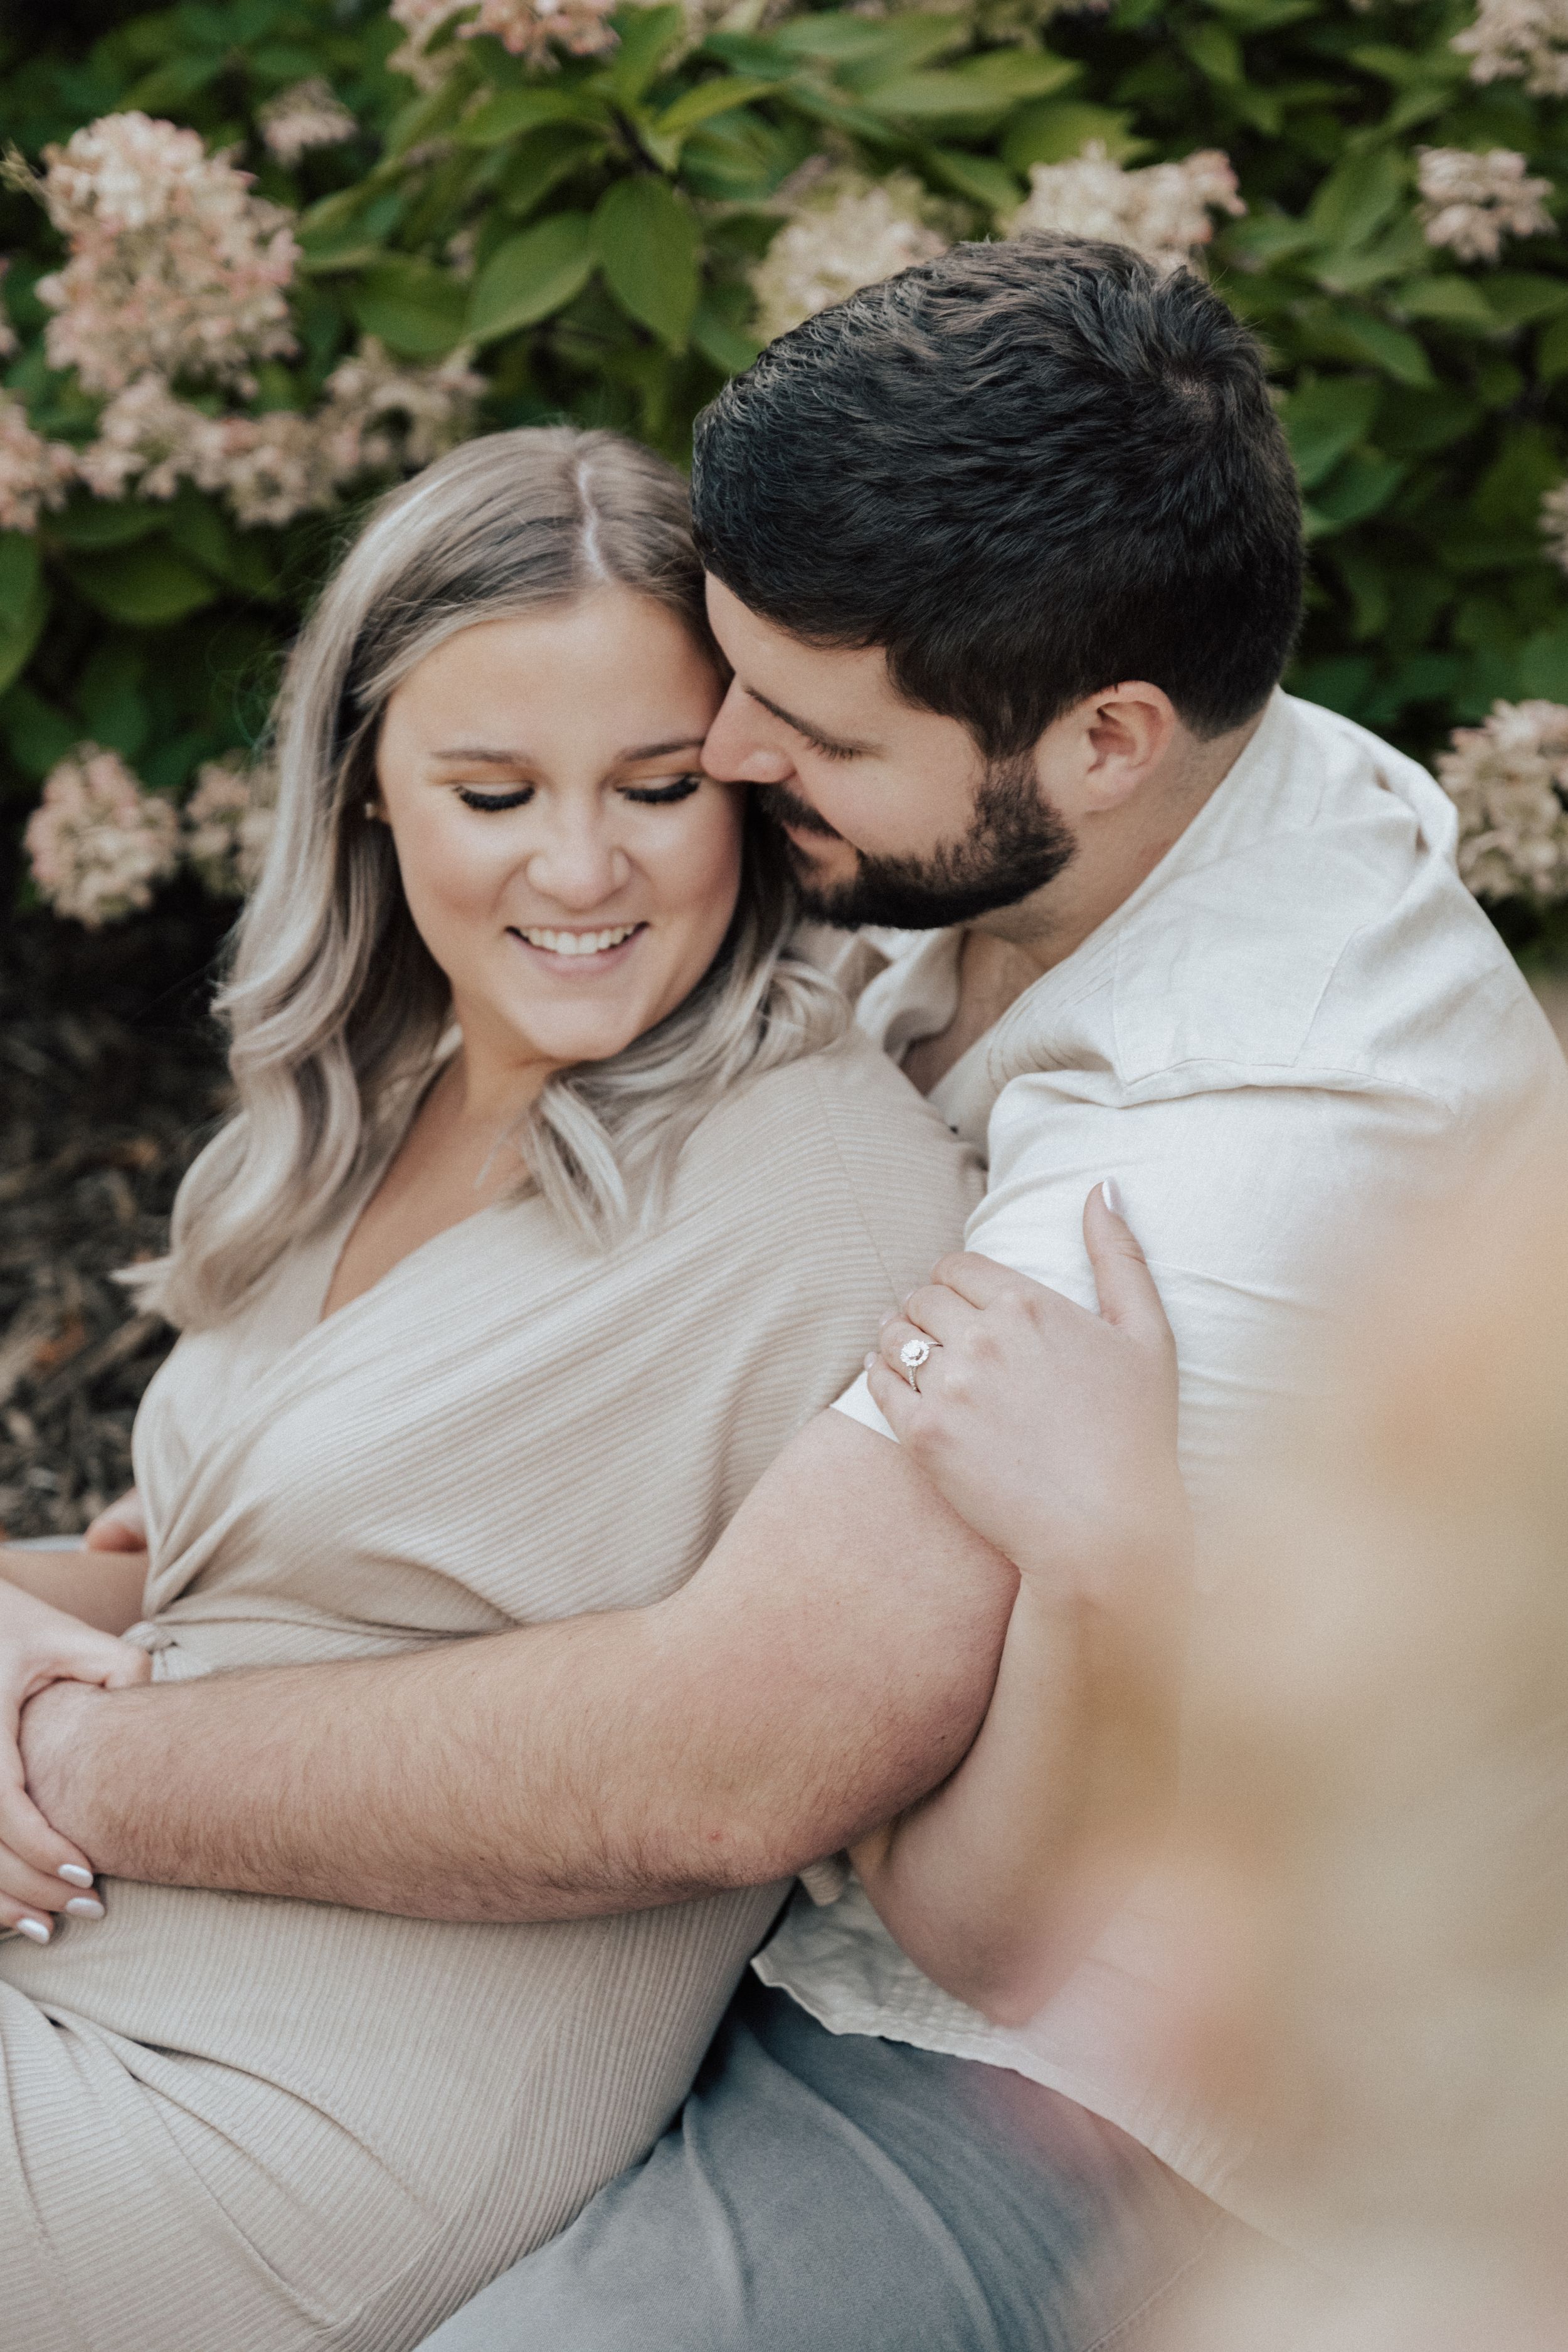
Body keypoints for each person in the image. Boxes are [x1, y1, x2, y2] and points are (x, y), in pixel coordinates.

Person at [16, 236, 1568, 2349]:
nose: (724, 754)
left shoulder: (1207, 1190)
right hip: (599, 1952)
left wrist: (67, 1751)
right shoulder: (1066, 809)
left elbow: (737, 1768)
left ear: (1105, 738)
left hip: (1084, 2069)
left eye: (793, 729)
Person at [0, 421, 1003, 2352]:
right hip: (84, 1958)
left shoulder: (833, 1199)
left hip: (277, 2124)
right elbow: (218, 1590)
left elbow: (757, 1753)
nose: (576, 867)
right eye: (490, 787)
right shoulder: (361, 1101)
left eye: (654, 786)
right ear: (368, 787)